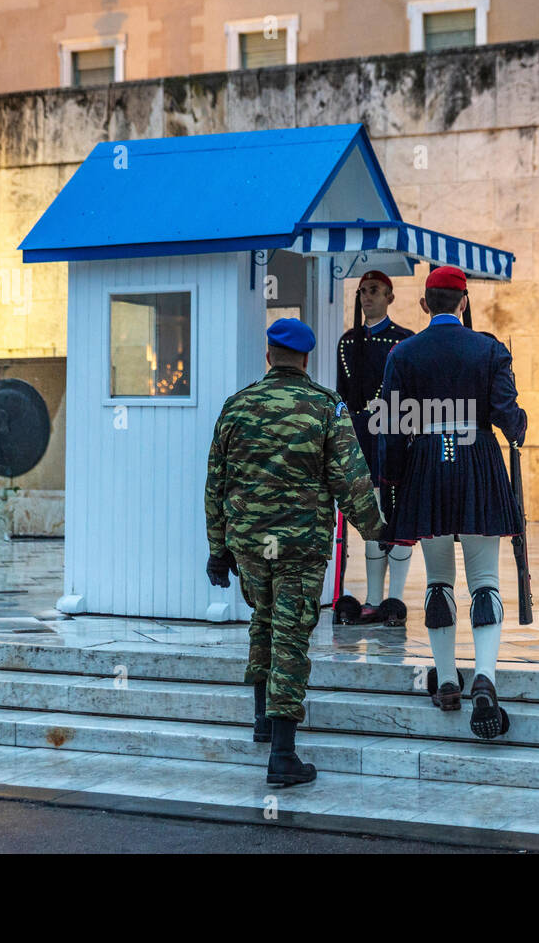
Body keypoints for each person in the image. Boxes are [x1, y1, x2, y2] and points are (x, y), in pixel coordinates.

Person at [205, 317, 385, 785]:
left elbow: (215, 484)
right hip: (300, 545)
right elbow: (350, 479)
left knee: (262, 621)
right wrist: (376, 530)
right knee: (290, 634)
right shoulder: (325, 406)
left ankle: (264, 721)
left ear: (269, 355)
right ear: (306, 359)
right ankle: (283, 755)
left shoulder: (236, 406)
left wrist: (217, 550)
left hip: (249, 543)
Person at [377, 266, 528, 741]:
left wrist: (395, 482)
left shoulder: (403, 353)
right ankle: (484, 676)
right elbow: (508, 417)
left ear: (424, 304)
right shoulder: (489, 348)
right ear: (463, 303)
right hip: (478, 462)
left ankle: (446, 682)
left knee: (439, 579)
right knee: (485, 581)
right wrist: (518, 423)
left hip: (429, 465)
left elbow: (391, 428)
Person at [335, 269, 415, 625]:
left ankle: (394, 600)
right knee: (371, 519)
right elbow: (344, 396)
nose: (367, 297)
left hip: (395, 436)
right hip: (362, 438)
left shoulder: (405, 341)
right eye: (363, 291)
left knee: (395, 517)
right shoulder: (347, 342)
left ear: (390, 297)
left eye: (375, 291)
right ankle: (372, 597)